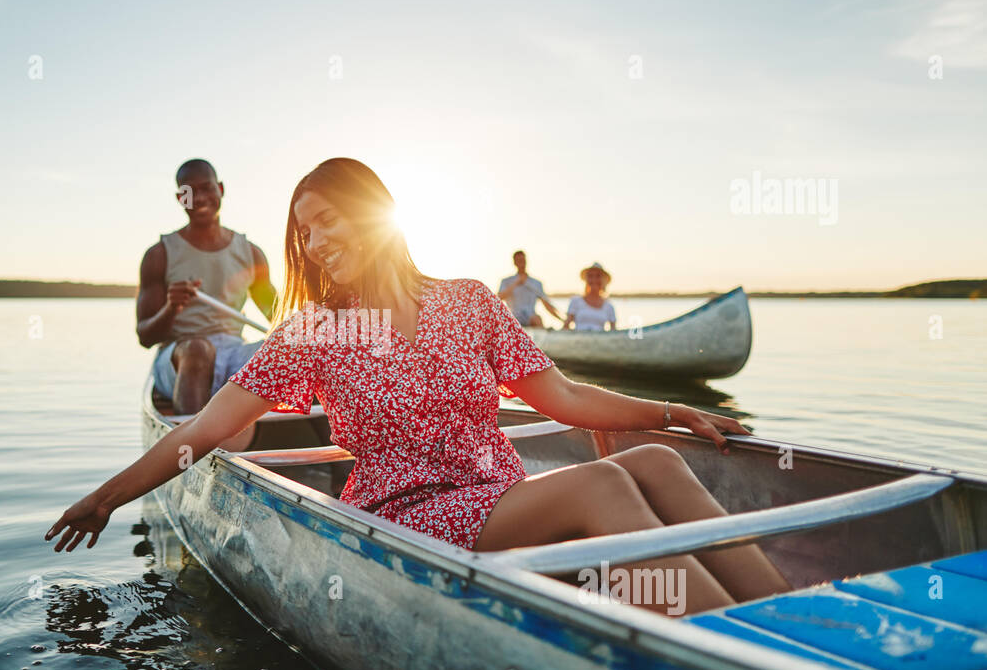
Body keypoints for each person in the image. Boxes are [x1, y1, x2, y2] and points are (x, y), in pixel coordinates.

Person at [50, 158, 789, 617]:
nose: (311, 243)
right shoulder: (318, 330)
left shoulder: (468, 299)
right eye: (302, 232)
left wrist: (667, 410)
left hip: (494, 494)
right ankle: (755, 668)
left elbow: (561, 396)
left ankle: (786, 622)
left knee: (658, 461)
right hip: (405, 517)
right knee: (600, 488)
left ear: (375, 217)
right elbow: (203, 430)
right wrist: (107, 496)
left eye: (326, 221)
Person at [136, 159, 276, 416]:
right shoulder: (159, 254)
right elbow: (145, 336)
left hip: (233, 353)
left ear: (220, 189)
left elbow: (277, 317)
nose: (198, 198)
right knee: (198, 350)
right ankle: (188, 450)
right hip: (181, 358)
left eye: (206, 188)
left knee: (290, 351)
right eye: (188, 192)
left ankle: (330, 445)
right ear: (180, 198)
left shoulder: (251, 253)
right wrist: (171, 307)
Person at [498, 250, 563, 327]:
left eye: (523, 260)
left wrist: (562, 321)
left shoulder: (536, 283)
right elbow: (499, 298)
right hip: (514, 317)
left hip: (531, 317)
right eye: (519, 261)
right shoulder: (506, 281)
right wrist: (516, 283)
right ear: (514, 263)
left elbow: (546, 305)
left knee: (537, 319)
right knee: (507, 321)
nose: (521, 263)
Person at [563, 262, 617, 331]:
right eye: (590, 276)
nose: (594, 280)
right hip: (578, 340)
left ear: (603, 280)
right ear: (586, 279)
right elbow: (566, 326)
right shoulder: (576, 301)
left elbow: (613, 331)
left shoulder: (609, 306)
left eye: (598, 276)